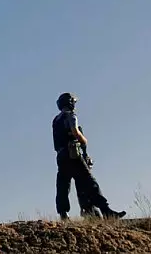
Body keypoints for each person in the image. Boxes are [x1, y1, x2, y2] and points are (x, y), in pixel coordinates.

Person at [52, 92, 126, 220]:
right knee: (89, 182)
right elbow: (75, 132)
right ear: (71, 103)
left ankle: (64, 214)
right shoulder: (70, 115)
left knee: (63, 185)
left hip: (61, 156)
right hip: (73, 154)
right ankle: (106, 210)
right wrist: (84, 140)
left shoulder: (56, 120)